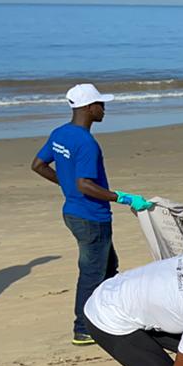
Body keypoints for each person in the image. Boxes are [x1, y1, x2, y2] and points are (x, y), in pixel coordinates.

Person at [31, 83, 153, 346]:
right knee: (92, 272)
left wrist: (65, 182)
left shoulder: (60, 133)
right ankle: (83, 328)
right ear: (88, 108)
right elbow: (84, 183)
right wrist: (122, 197)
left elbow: (38, 165)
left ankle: (107, 317)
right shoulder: (87, 143)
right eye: (101, 104)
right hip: (91, 217)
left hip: (74, 213)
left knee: (108, 267)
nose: (104, 109)